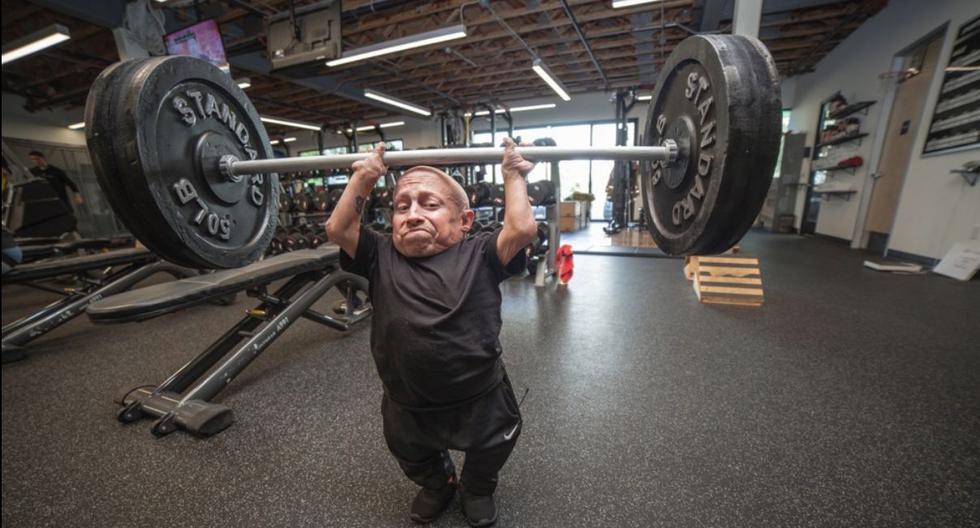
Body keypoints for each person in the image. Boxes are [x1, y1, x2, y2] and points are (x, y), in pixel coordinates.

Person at [325, 138, 538, 527]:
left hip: (478, 392)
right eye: (402, 206)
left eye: (430, 204)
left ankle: (476, 486)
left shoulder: (482, 254)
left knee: (492, 446)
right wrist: (365, 178)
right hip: (407, 397)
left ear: (465, 221)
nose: (412, 214)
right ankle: (438, 483)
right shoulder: (380, 254)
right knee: (410, 450)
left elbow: (522, 228)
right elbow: (339, 227)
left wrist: (512, 175)